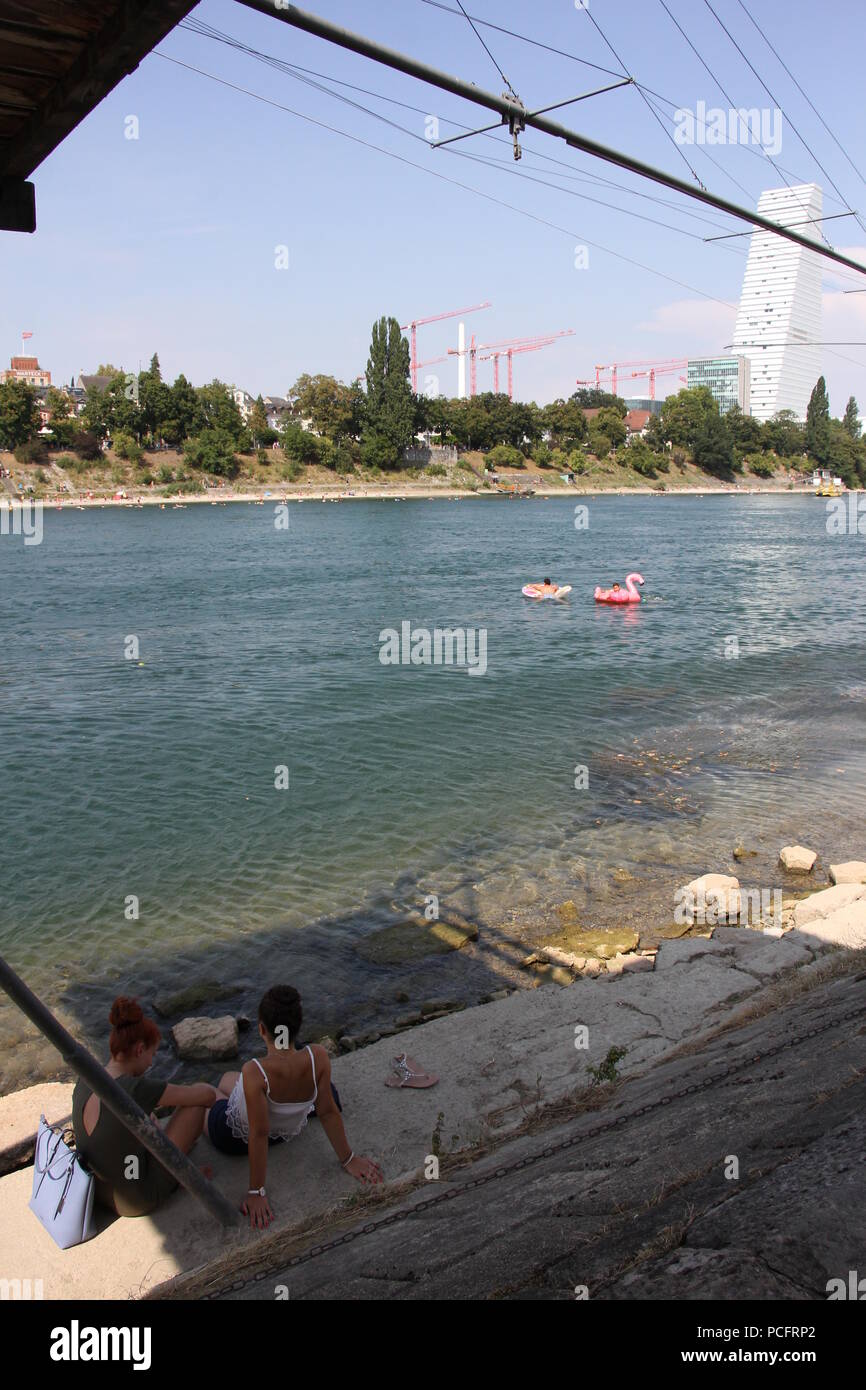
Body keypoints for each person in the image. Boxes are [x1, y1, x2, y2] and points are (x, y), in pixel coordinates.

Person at [207, 985, 383, 1229]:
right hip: (286, 1131)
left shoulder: (254, 1071)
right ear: (298, 1027)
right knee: (229, 1079)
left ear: (261, 1029)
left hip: (232, 1135)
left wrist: (257, 1191)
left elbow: (258, 1134)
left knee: (210, 1092)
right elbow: (328, 1111)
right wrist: (348, 1158)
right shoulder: (317, 1057)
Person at [72, 997, 220, 1218]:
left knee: (148, 1119)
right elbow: (206, 1096)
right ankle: (176, 1177)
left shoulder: (86, 1078)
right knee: (195, 1105)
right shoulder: (135, 1088)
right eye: (152, 1053)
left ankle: (174, 1173)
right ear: (140, 1050)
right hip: (134, 1200)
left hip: (99, 1192)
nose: (152, 1062)